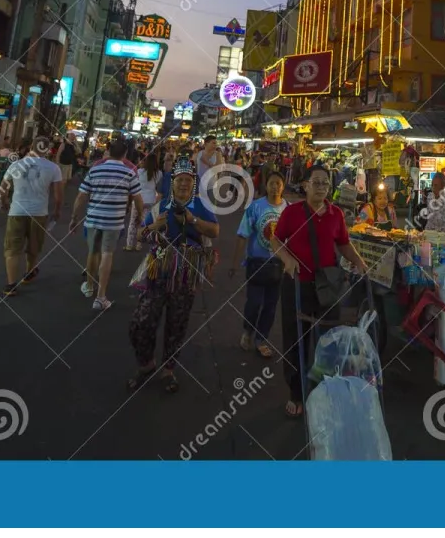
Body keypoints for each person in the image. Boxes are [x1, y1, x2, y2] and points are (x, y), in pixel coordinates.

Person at [272, 163, 368, 418]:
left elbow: (344, 244)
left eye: (326, 183)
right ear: (305, 186)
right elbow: (276, 240)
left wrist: (359, 262)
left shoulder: (336, 214)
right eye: (317, 182)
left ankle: (322, 386)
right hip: (297, 284)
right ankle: (295, 391)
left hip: (328, 286)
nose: (322, 187)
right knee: (296, 339)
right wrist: (287, 260)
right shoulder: (292, 213)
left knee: (329, 338)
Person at [129, 158, 220, 393]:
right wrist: (153, 228)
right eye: (179, 180)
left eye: (188, 181)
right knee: (142, 321)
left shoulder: (200, 205)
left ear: (193, 183)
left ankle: (169, 369)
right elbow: (140, 234)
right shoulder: (161, 207)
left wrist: (193, 221)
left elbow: (215, 231)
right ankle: (146, 364)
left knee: (177, 323)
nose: (183, 184)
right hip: (158, 270)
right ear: (173, 182)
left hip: (185, 273)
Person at [71, 139, 142, 312]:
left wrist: (74, 217)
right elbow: (137, 199)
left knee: (93, 252)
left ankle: (89, 286)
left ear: (108, 151)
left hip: (93, 218)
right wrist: (139, 216)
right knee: (107, 254)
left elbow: (81, 196)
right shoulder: (130, 172)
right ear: (125, 155)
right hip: (114, 220)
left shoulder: (95, 169)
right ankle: (101, 297)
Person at [231, 169, 288, 358]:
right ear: (266, 186)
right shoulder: (255, 207)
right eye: (272, 183)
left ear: (283, 187)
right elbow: (242, 235)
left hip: (278, 265)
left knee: (271, 306)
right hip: (257, 263)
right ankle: (248, 330)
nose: (275, 187)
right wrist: (234, 262)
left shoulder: (288, 209)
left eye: (278, 184)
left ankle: (261, 339)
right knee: (254, 303)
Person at [0, 138, 64, 298]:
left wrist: (3, 202)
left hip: (17, 211)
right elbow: (58, 196)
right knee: (34, 245)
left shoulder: (15, 165)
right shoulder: (53, 168)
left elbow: (3, 189)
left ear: (31, 147)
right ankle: (28, 272)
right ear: (47, 150)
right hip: (39, 212)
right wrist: (57, 211)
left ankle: (11, 285)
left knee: (12, 248)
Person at [128, 150, 164, 252]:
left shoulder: (139, 172)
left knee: (133, 222)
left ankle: (130, 244)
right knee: (144, 223)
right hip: (150, 200)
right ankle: (139, 245)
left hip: (138, 200)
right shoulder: (159, 174)